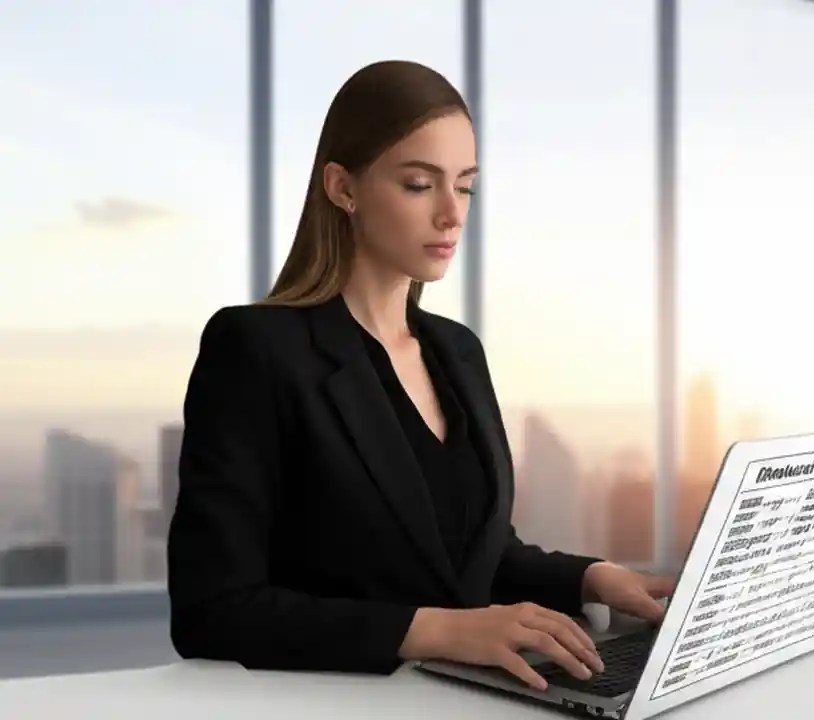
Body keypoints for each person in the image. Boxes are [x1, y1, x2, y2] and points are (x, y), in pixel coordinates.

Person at [167, 60, 676, 691]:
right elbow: (212, 611)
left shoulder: (456, 350)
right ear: (342, 188)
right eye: (418, 183)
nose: (451, 214)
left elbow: (469, 554)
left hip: (468, 698)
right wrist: (437, 631)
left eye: (465, 187)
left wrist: (590, 577)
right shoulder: (254, 348)